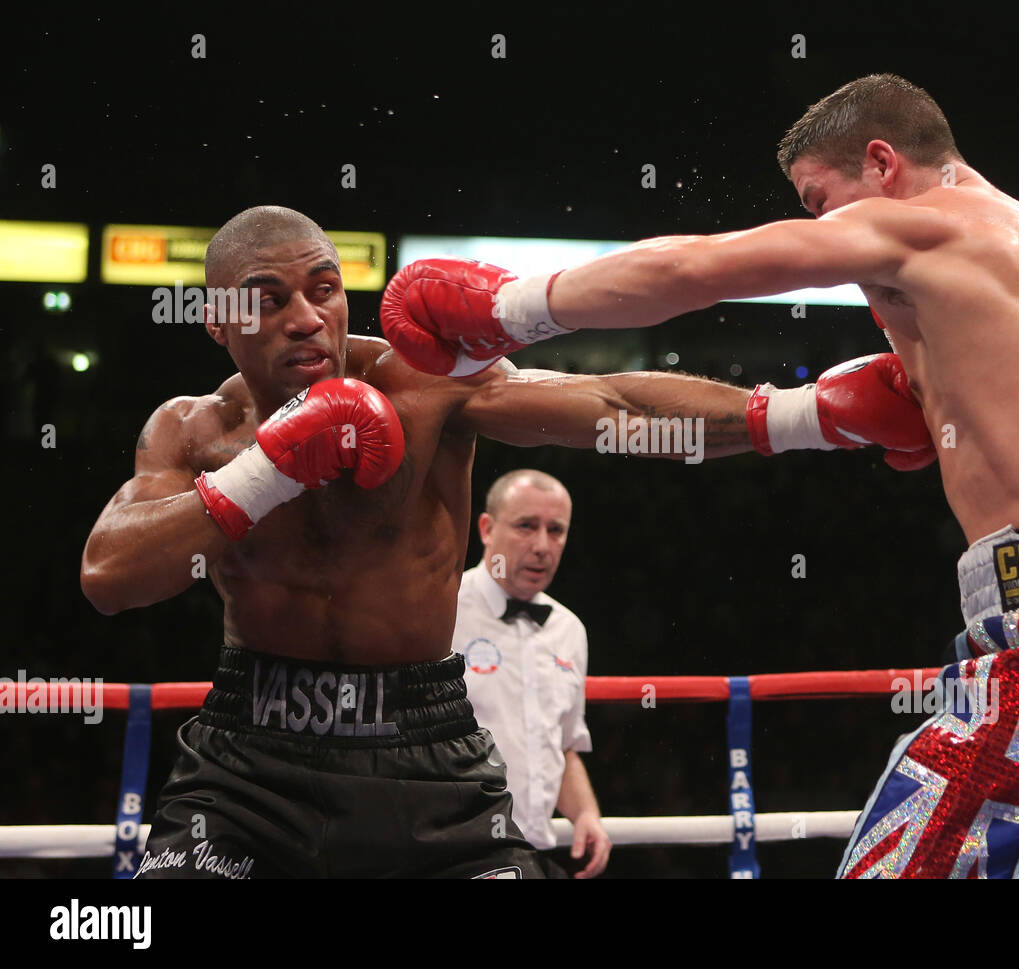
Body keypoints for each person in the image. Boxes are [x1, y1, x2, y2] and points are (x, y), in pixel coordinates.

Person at [382, 74, 1019, 878]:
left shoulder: (923, 223)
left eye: (819, 201)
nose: (821, 228)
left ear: (881, 162)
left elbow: (689, 269)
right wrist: (818, 415)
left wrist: (507, 308)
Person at [79, 204, 932, 879]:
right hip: (248, 762)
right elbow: (109, 574)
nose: (307, 318)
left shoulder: (422, 384)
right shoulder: (192, 433)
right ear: (216, 319)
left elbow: (610, 409)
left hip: (427, 757)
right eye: (270, 298)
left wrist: (802, 415)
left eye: (325, 288)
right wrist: (269, 469)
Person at [453, 469, 609, 878]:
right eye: (526, 526)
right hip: (458, 851)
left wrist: (587, 813)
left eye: (555, 531)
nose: (542, 546)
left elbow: (561, 745)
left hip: (533, 851)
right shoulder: (443, 612)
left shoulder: (569, 629)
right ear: (486, 529)